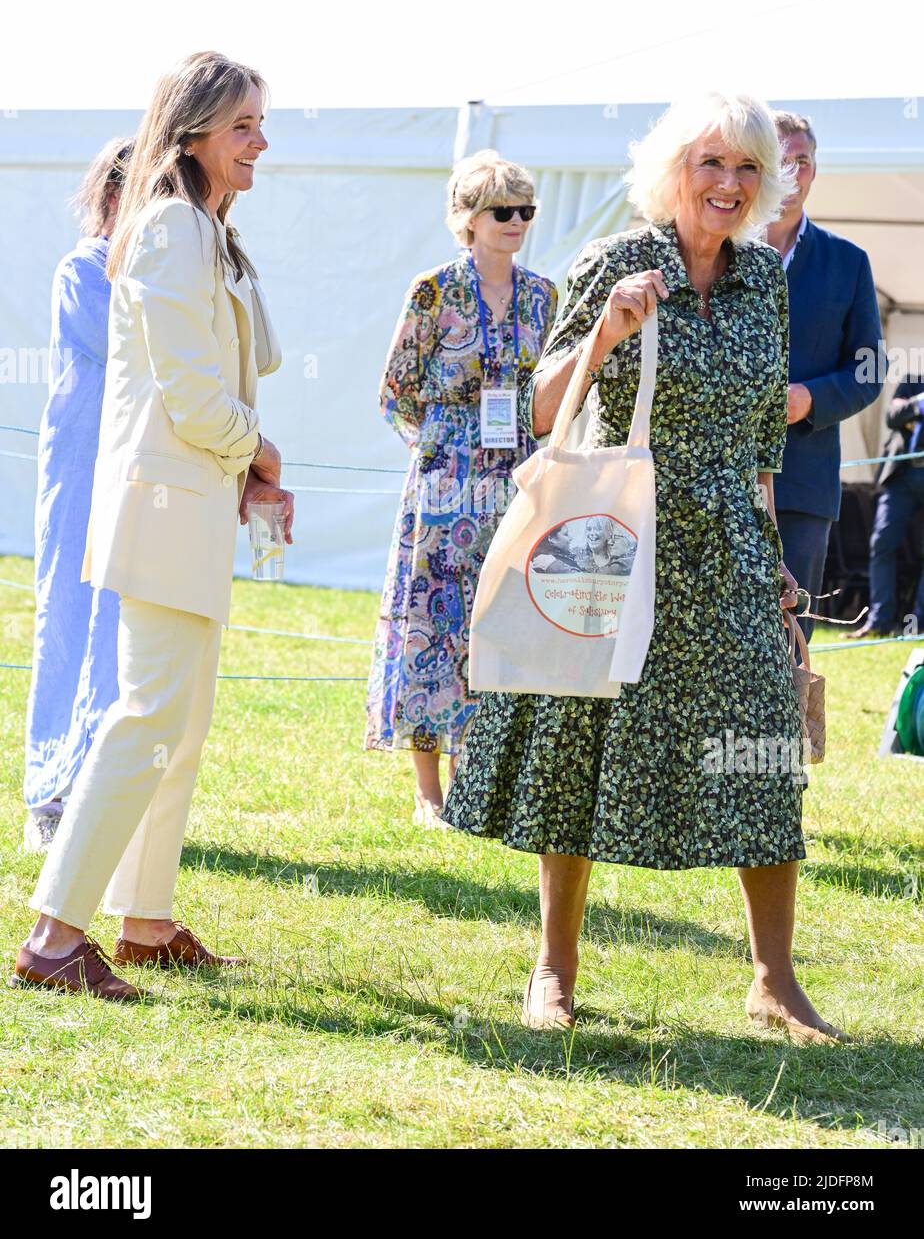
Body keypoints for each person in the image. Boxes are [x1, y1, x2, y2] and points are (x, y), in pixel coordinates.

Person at [442, 93, 850, 1046]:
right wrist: (608, 334)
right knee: (581, 743)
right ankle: (553, 968)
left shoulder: (764, 281)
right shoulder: (614, 261)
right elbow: (543, 409)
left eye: (749, 168)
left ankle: (774, 981)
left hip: (729, 548)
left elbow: (760, 440)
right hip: (616, 537)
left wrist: (776, 572)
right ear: (674, 171)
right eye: (712, 163)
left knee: (762, 750)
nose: (731, 184)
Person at [12, 51, 292, 1000]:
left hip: (192, 504)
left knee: (180, 724)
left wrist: (247, 459)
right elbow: (190, 392)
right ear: (194, 134)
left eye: (260, 122)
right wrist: (257, 451)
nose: (262, 142)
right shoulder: (172, 226)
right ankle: (55, 939)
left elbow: (247, 359)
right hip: (168, 504)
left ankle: (145, 921)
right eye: (244, 126)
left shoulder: (200, 226)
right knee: (145, 720)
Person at [364, 151, 557, 828]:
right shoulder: (434, 289)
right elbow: (395, 392)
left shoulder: (543, 295)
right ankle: (428, 792)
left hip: (519, 478)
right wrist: (441, 448)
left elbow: (550, 390)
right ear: (467, 219)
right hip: (446, 482)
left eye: (526, 210)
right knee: (432, 621)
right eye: (502, 210)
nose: (516, 222)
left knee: (499, 619)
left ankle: (477, 780)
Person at [23, 138, 133, 852]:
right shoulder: (85, 269)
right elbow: (128, 349)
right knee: (67, 617)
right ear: (114, 194)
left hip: (141, 481)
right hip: (81, 475)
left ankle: (108, 789)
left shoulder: (177, 275)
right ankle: (49, 795)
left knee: (124, 630)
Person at [766, 111, 883, 640]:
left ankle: (785, 729)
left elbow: (870, 370)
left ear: (815, 170)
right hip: (712, 478)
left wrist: (810, 399)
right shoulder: (715, 251)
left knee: (790, 635)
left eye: (802, 161)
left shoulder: (848, 262)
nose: (791, 174)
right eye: (779, 161)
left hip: (804, 480)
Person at [860, 376, 924, 635]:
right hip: (902, 475)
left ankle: (918, 624)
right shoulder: (912, 382)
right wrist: (919, 404)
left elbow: (902, 415)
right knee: (882, 543)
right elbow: (892, 417)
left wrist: (910, 414)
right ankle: (878, 621)